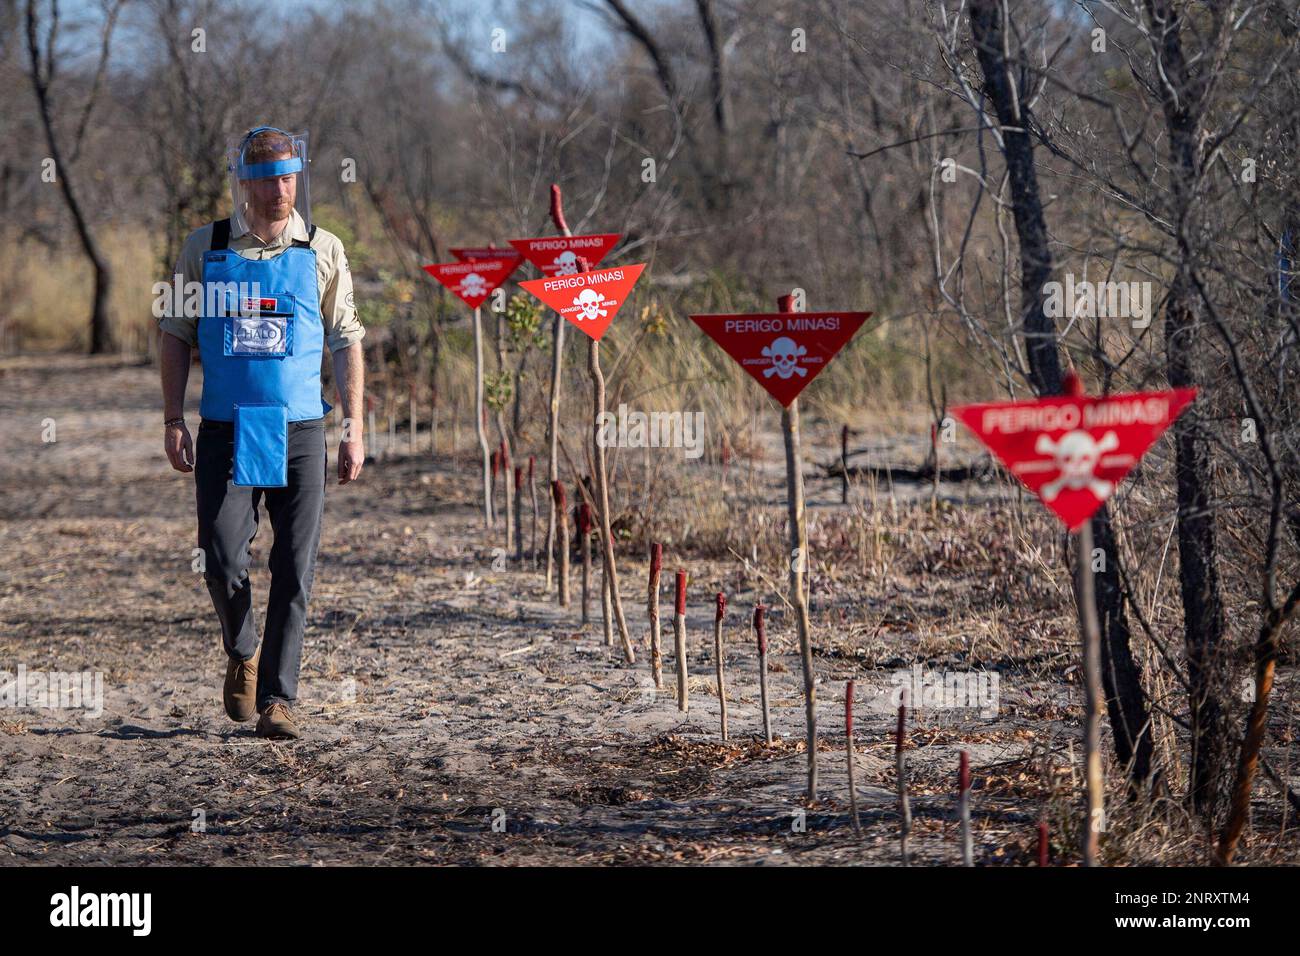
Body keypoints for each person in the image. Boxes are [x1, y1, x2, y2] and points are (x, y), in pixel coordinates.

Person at [158, 127, 365, 739]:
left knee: (295, 565)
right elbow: (174, 332)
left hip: (301, 427)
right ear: (242, 181)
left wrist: (353, 427)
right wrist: (173, 417)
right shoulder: (205, 247)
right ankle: (243, 647)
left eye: (288, 176)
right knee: (221, 557)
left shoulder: (323, 248)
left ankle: (279, 697)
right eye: (266, 178)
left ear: (298, 176)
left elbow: (346, 338)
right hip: (225, 426)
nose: (279, 189)